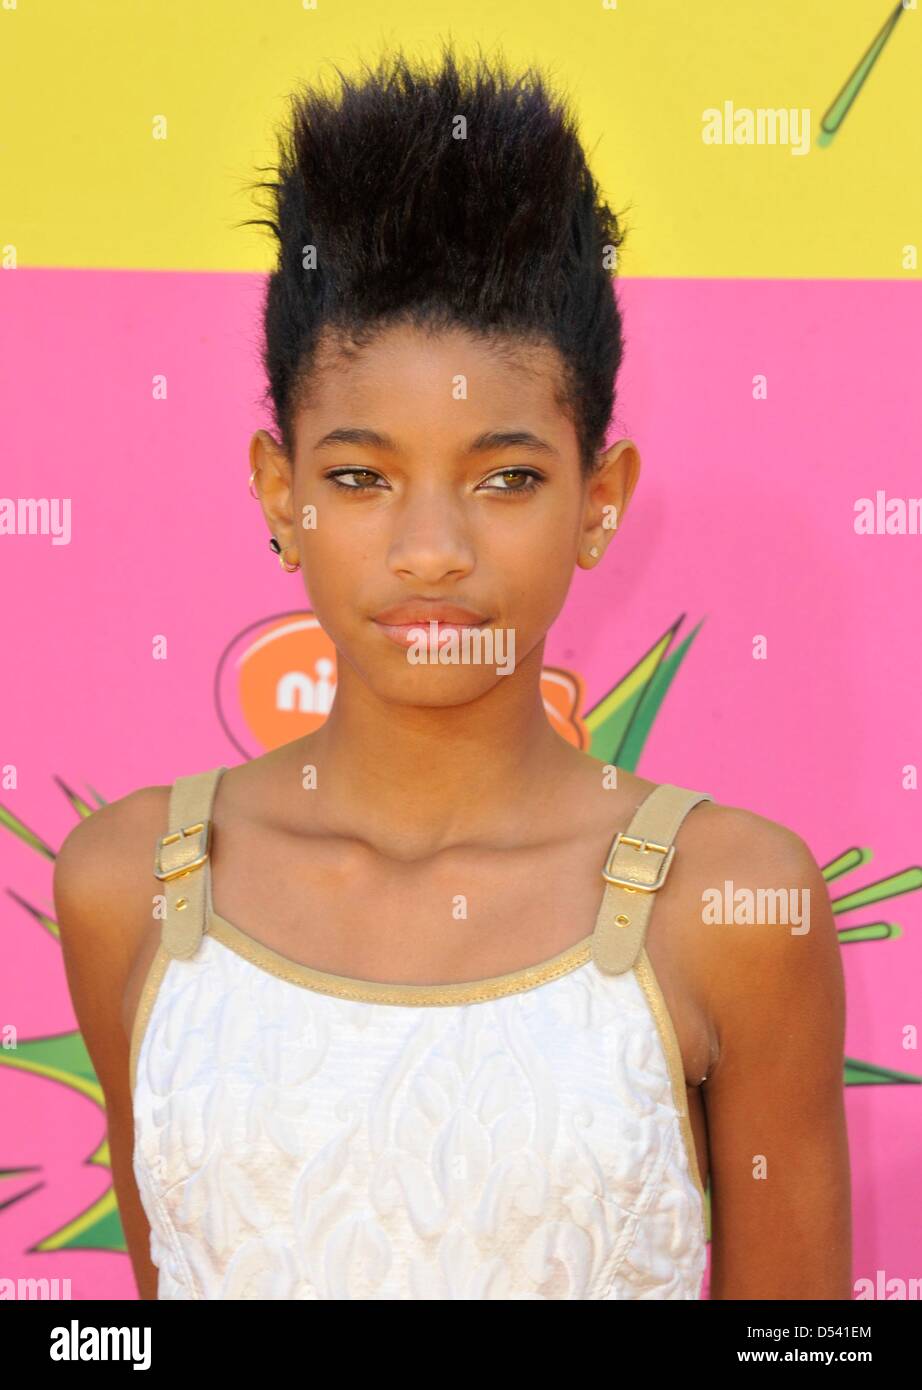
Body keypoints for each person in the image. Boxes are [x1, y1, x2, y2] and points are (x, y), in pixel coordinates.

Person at [54, 42, 851, 1300]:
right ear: (281, 494)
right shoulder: (131, 885)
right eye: (361, 477)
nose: (432, 551)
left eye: (507, 477)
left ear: (600, 499)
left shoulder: (733, 906)